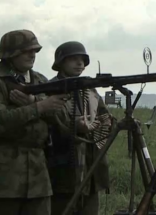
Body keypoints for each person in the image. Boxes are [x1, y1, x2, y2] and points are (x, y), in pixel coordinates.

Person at [0, 29, 68, 215]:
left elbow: (63, 119)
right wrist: (38, 108)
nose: (32, 54)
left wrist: (36, 103)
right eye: (26, 50)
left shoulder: (41, 80)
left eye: (35, 50)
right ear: (10, 54)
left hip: (37, 176)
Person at [47, 41, 112, 215]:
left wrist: (102, 125)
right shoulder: (49, 89)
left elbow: (105, 117)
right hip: (62, 165)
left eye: (82, 60)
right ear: (61, 62)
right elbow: (50, 123)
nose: (79, 64)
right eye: (73, 59)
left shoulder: (89, 90)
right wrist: (75, 127)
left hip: (90, 168)